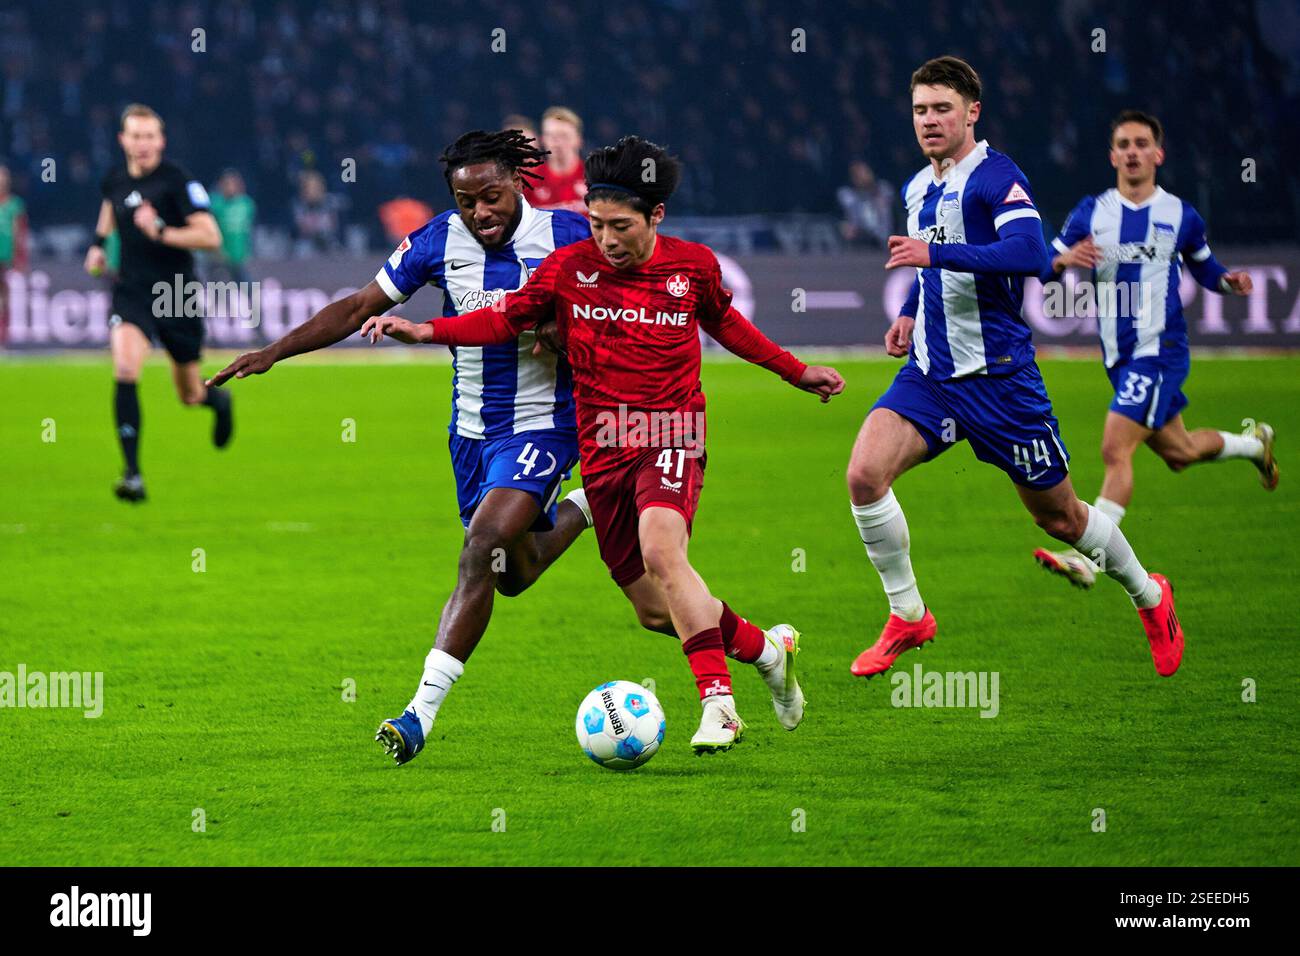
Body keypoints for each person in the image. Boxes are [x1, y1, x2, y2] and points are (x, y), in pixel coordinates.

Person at [362, 136, 845, 753]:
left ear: (655, 218)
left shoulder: (692, 266)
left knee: (665, 553)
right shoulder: (569, 268)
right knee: (651, 607)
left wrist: (795, 370)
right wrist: (427, 329)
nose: (607, 240)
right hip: (604, 447)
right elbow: (503, 318)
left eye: (620, 226)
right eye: (596, 224)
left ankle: (718, 704)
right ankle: (767, 648)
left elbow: (729, 326)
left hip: (671, 431)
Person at [208, 130, 594, 765]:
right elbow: (362, 303)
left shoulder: (569, 237)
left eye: (492, 197)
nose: (481, 213)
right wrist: (273, 353)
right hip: (469, 432)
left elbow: (619, 307)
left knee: (480, 550)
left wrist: (566, 332)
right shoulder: (439, 241)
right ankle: (589, 507)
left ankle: (419, 714)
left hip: (544, 424)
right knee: (512, 573)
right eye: (467, 202)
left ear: (517, 183)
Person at [845, 57, 1187, 681]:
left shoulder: (996, 177)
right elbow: (930, 269)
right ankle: (909, 614)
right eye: (920, 109)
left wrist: (934, 252)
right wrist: (909, 314)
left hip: (1000, 380)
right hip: (932, 375)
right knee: (865, 476)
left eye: (942, 108)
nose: (929, 120)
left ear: (972, 112)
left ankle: (1150, 596)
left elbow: (1030, 253)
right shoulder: (916, 187)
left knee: (1061, 517)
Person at [1032, 110, 1276, 589]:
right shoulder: (1091, 211)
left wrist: (1228, 283)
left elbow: (1207, 270)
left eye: (1142, 143)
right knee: (1179, 452)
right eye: (1123, 144)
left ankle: (1091, 560)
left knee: (1114, 448)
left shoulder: (1181, 215)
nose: (1132, 152)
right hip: (1118, 357)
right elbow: (1043, 266)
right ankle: (1256, 445)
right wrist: (1062, 258)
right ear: (1112, 156)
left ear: (1157, 154)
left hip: (1159, 350)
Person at [84, 103, 229, 503]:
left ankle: (218, 401)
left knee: (189, 395)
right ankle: (132, 474)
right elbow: (111, 208)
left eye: (150, 136)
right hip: (132, 291)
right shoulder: (113, 178)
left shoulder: (177, 182)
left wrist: (161, 230)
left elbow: (210, 237)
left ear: (161, 141)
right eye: (136, 136)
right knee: (126, 367)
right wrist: (98, 246)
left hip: (176, 294)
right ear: (123, 140)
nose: (143, 143)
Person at [525, 106, 588, 215]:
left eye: (564, 136)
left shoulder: (593, 177)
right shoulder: (529, 181)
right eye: (551, 136)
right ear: (543, 139)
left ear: (579, 140)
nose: (557, 142)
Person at [208, 169, 256, 285]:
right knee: (217, 289)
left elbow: (249, 229)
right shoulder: (215, 204)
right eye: (227, 184)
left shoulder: (247, 204)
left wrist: (249, 251)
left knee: (247, 287)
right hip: (219, 257)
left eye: (233, 184)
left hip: (240, 256)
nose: (230, 187)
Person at [0, 165, 29, 348]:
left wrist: (20, 258)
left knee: (4, 297)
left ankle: (3, 337)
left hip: (4, 256)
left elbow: (20, 233)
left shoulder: (14, 204)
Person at [837, 160, 894, 247]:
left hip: (886, 239)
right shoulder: (847, 194)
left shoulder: (884, 189)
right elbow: (845, 218)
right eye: (856, 174)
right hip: (859, 239)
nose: (861, 176)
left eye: (864, 172)